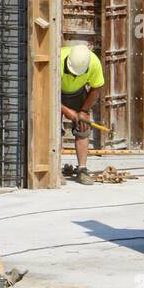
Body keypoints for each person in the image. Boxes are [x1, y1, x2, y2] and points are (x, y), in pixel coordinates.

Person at [61, 42, 105, 185]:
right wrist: (68, 112)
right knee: (52, 128)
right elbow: (47, 93)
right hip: (54, 91)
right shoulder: (58, 59)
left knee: (83, 126)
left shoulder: (93, 63)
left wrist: (83, 111)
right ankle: (53, 169)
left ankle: (82, 169)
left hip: (77, 92)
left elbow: (96, 88)